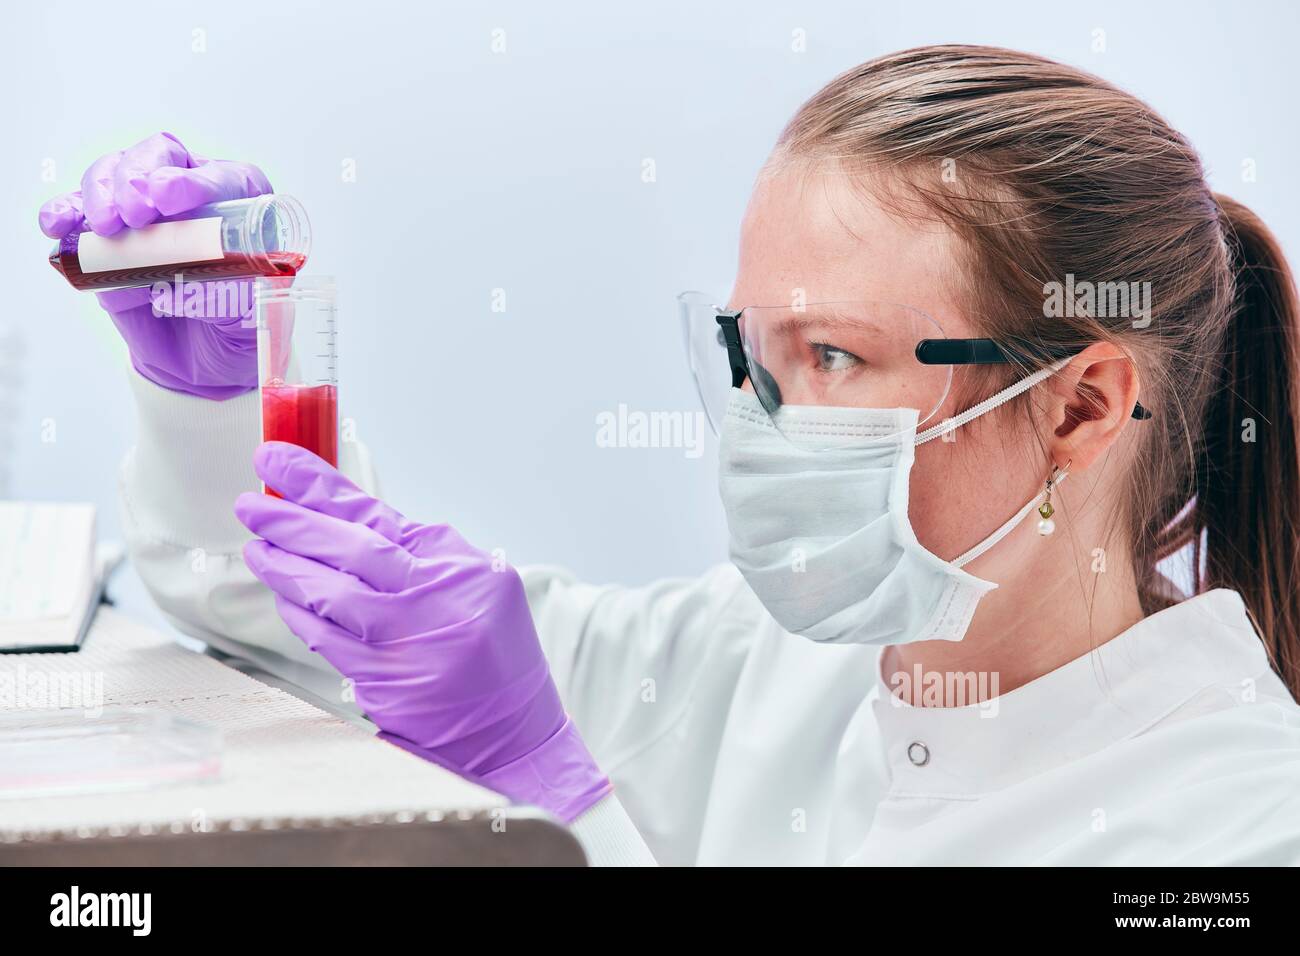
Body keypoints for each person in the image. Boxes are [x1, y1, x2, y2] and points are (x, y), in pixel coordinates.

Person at [40, 45, 1300, 866]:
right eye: (752, 356)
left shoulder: (1230, 831)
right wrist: (216, 401)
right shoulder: (759, 661)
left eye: (835, 356)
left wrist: (560, 797)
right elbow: (314, 634)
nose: (763, 422)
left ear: (1081, 409)